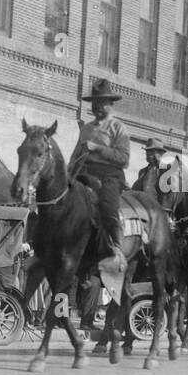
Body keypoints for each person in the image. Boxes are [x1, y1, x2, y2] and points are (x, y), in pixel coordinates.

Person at [69, 78, 131, 273]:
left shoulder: (118, 128)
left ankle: (115, 246)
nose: (97, 107)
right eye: (95, 103)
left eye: (101, 103)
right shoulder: (86, 129)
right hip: (85, 173)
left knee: (107, 205)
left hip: (109, 175)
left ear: (110, 104)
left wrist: (98, 148)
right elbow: (75, 156)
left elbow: (124, 158)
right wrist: (68, 171)